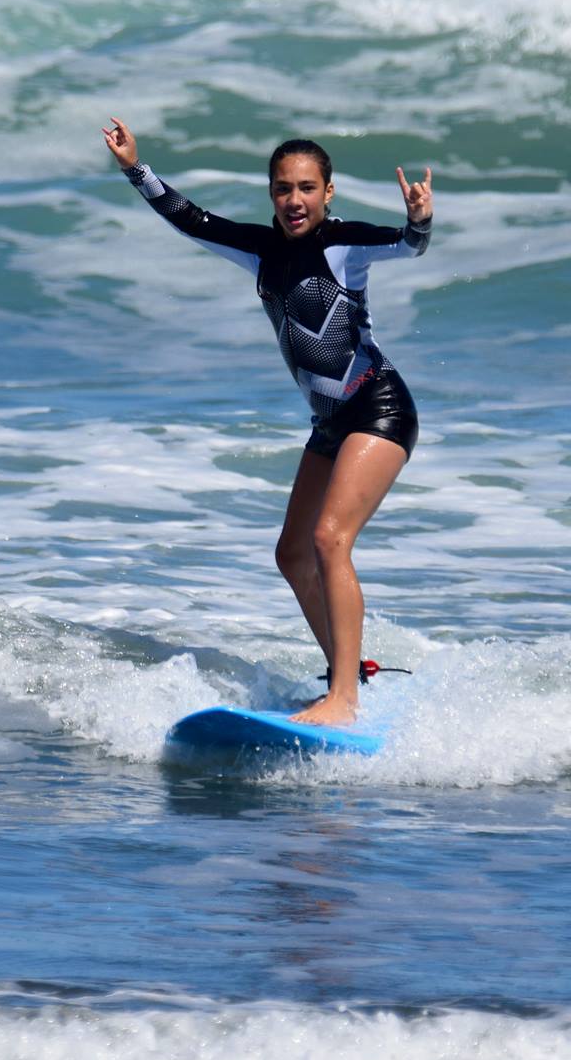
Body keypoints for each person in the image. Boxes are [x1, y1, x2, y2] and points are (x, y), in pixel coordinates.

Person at [102, 118, 431, 726]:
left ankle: (344, 699)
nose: (294, 200)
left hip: (378, 407)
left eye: (307, 187)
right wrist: (134, 169)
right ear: (271, 193)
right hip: (330, 422)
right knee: (292, 554)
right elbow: (191, 219)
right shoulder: (260, 249)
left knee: (330, 539)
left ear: (328, 191)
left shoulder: (345, 244)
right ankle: (350, 675)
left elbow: (408, 246)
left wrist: (418, 219)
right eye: (283, 188)